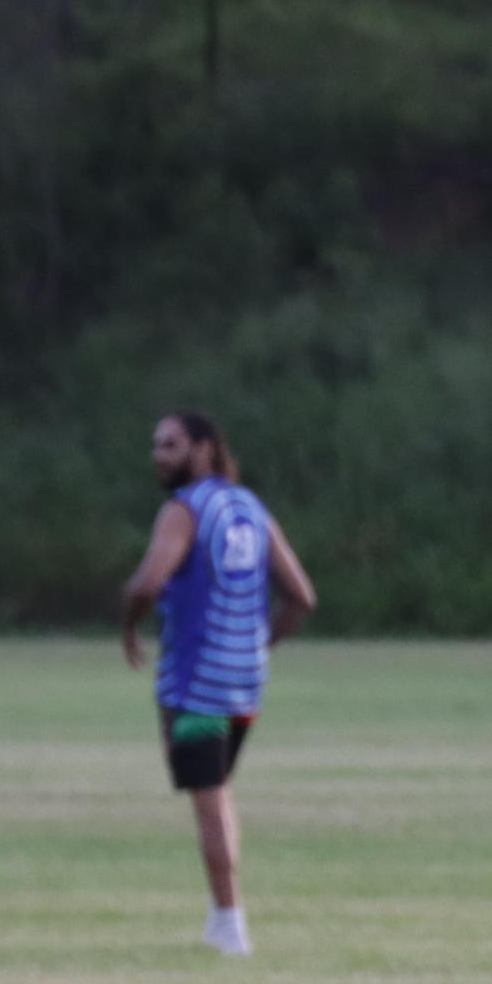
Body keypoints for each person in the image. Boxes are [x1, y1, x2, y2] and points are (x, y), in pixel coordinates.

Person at [117, 409, 315, 956]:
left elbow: (150, 580)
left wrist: (129, 622)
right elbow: (302, 596)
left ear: (204, 448)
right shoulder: (251, 507)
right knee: (218, 793)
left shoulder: (184, 511)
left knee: (208, 799)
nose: (160, 455)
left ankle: (231, 924)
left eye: (172, 445)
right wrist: (261, 643)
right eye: (156, 445)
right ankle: (220, 914)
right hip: (246, 681)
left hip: (195, 680)